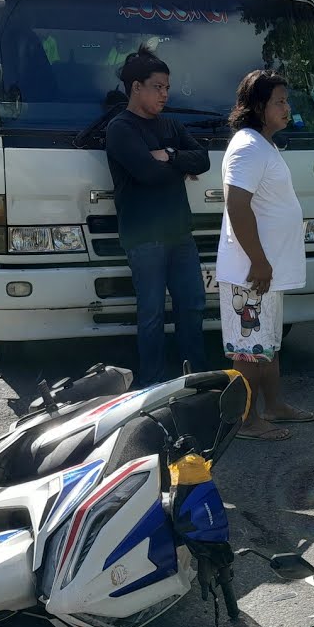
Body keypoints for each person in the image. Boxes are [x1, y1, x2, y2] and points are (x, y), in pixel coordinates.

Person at [216, 70, 314, 442]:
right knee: (247, 351)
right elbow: (237, 206)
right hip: (250, 272)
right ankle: (245, 420)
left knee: (267, 344)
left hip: (263, 273)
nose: (287, 108)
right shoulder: (247, 146)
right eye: (280, 101)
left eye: (286, 101)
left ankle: (273, 407)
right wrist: (257, 260)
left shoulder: (263, 144)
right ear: (258, 106)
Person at [104, 45, 210, 386]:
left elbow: (203, 160)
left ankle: (195, 379)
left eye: (167, 87)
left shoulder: (171, 126)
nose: (165, 93)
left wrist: (169, 154)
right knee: (150, 315)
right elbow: (147, 174)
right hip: (143, 237)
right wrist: (177, 166)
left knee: (192, 308)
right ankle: (152, 385)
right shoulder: (120, 128)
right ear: (137, 87)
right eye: (158, 87)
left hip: (180, 234)